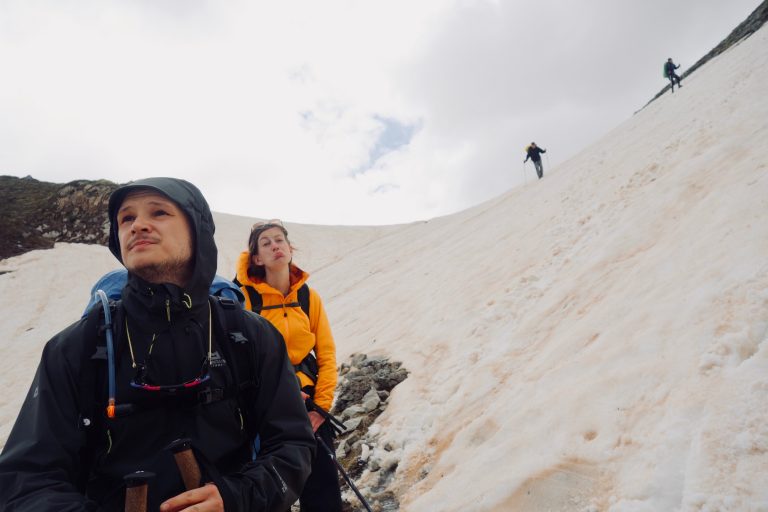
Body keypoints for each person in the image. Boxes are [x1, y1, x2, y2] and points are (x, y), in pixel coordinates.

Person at [0, 178, 315, 512]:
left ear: (198, 231)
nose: (138, 225)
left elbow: (292, 444)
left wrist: (237, 496)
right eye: (126, 219)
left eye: (159, 212)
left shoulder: (250, 335)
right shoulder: (74, 347)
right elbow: (26, 478)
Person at [235, 220, 343, 512]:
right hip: (267, 410)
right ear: (256, 258)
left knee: (324, 492)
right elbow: (241, 357)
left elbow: (327, 354)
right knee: (270, 493)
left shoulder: (308, 297)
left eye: (279, 240)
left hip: (311, 412)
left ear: (290, 248)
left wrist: (321, 407)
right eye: (266, 243)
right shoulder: (244, 299)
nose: (275, 246)